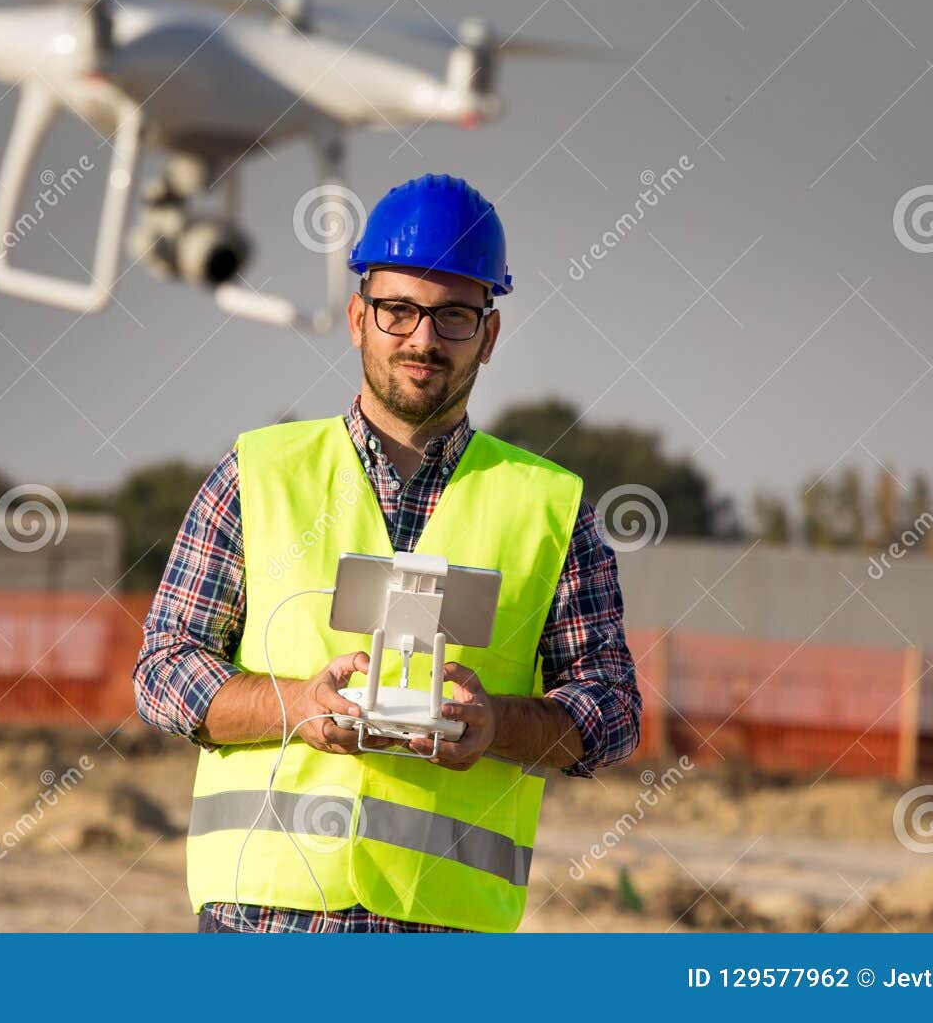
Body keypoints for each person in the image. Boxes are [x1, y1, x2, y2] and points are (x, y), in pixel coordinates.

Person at [132, 173, 642, 933]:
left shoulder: (553, 510)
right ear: (356, 318)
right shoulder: (259, 474)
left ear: (490, 335)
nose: (424, 339)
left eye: (454, 316)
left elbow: (613, 710)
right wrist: (296, 705)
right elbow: (163, 669)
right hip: (263, 928)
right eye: (398, 310)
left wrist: (498, 724)